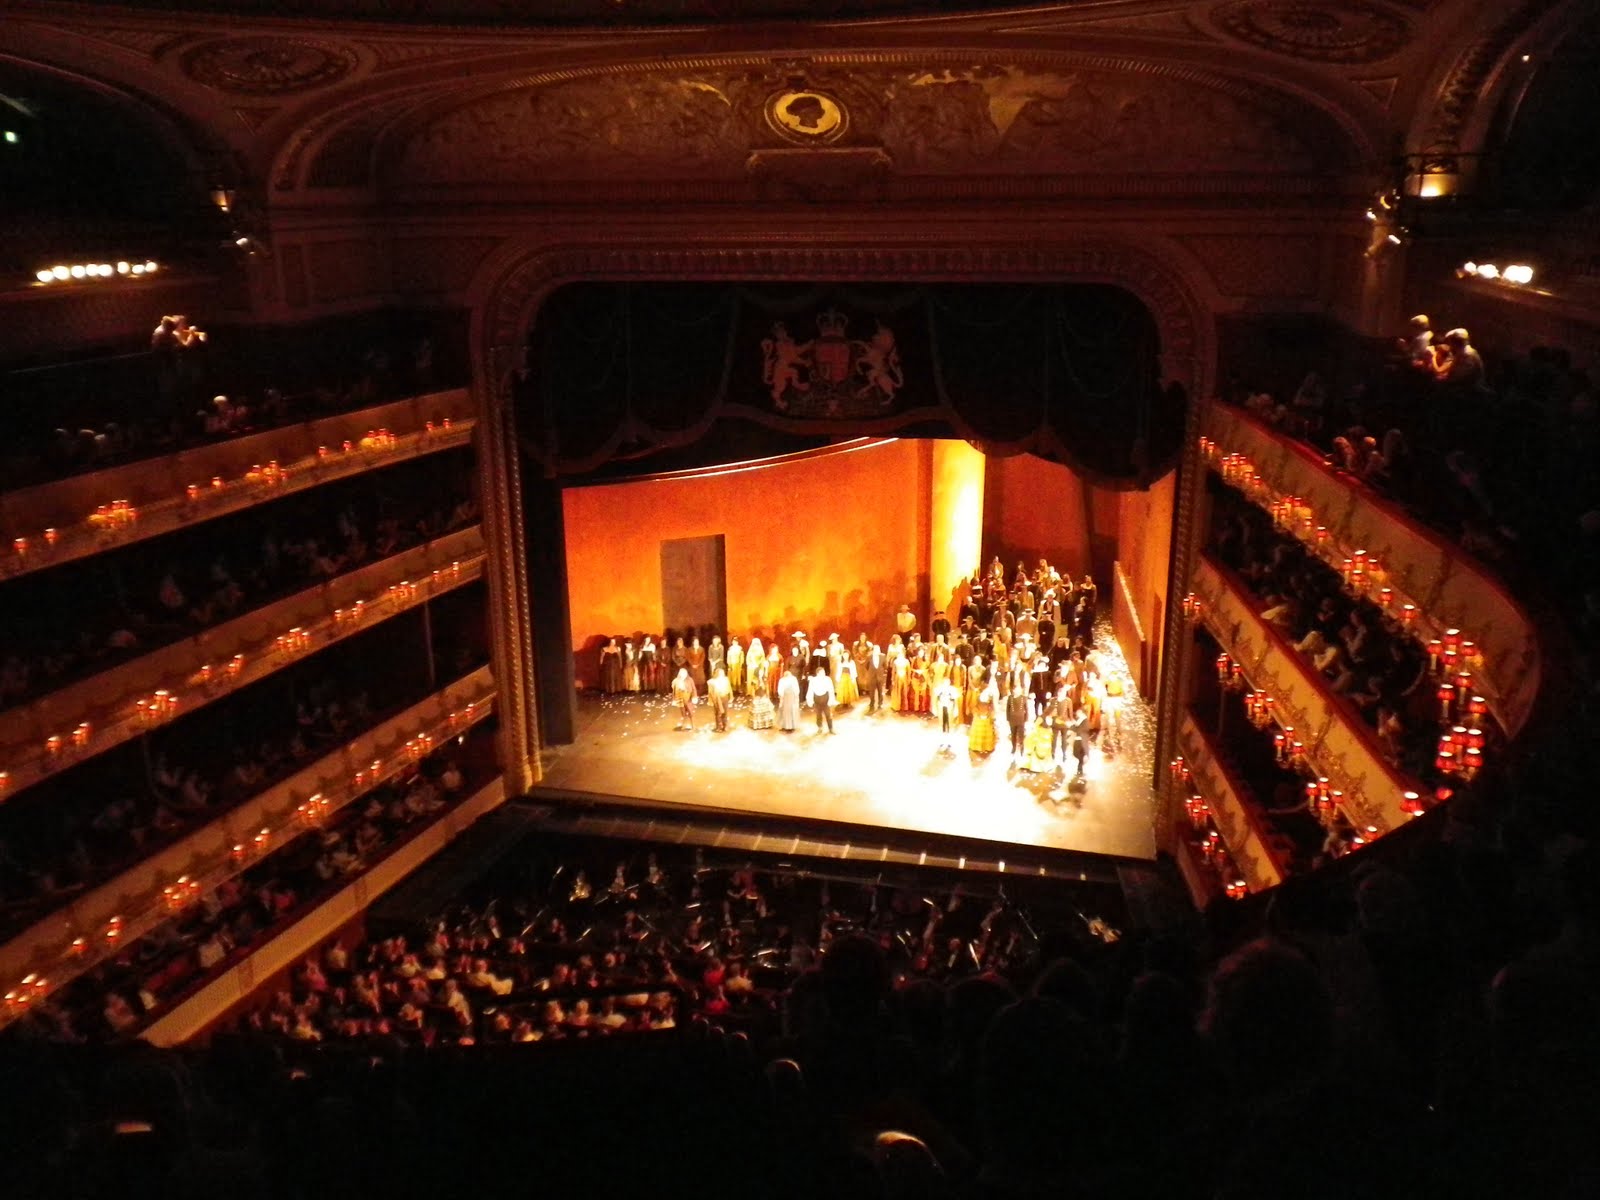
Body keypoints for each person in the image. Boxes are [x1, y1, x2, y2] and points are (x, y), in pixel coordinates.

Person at [968, 679, 998, 756]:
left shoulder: (992, 695)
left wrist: (989, 715)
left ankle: (986, 747)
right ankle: (978, 747)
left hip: (987, 714)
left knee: (987, 730)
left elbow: (992, 707)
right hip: (979, 714)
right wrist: (978, 714)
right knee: (979, 730)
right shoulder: (978, 693)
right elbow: (974, 705)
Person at [934, 674, 961, 750]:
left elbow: (955, 700)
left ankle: (949, 741)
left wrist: (956, 709)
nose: (946, 683)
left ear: (949, 683)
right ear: (943, 682)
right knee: (941, 725)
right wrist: (935, 708)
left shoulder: (953, 689)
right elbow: (935, 699)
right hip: (941, 708)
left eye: (947, 682)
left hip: (950, 708)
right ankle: (942, 741)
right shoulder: (939, 689)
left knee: (950, 725)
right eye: (945, 682)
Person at [807, 664, 835, 733]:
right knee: (818, 715)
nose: (823, 674)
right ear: (818, 674)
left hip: (825, 698)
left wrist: (831, 699)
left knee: (828, 714)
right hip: (817, 699)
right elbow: (810, 690)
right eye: (822, 673)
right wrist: (810, 700)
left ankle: (831, 728)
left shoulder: (827, 679)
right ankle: (820, 727)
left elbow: (831, 690)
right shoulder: (813, 680)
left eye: (824, 672)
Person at [1006, 684, 1030, 763]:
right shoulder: (1010, 698)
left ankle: (1022, 748)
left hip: (1021, 719)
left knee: (1021, 735)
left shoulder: (1023, 698)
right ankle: (1013, 748)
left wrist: (1026, 718)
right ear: (1013, 690)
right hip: (1012, 720)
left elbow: (1026, 708)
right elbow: (1007, 709)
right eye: (1015, 689)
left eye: (1018, 690)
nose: (1016, 691)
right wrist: (1008, 718)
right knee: (1013, 734)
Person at [707, 666, 733, 732]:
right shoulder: (712, 682)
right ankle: (719, 727)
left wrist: (731, 696)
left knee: (725, 712)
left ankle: (725, 725)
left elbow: (729, 688)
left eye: (723, 673)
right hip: (717, 699)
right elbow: (710, 692)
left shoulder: (726, 679)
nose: (722, 674)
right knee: (718, 713)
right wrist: (710, 700)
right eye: (721, 673)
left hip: (725, 697)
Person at [672, 667, 698, 731]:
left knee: (690, 712)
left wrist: (694, 696)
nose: (683, 674)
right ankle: (684, 725)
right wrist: (674, 699)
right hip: (680, 699)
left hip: (688, 698)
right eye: (682, 673)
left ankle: (693, 725)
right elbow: (674, 691)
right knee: (683, 714)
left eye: (684, 673)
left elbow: (693, 689)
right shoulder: (676, 681)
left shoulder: (690, 680)